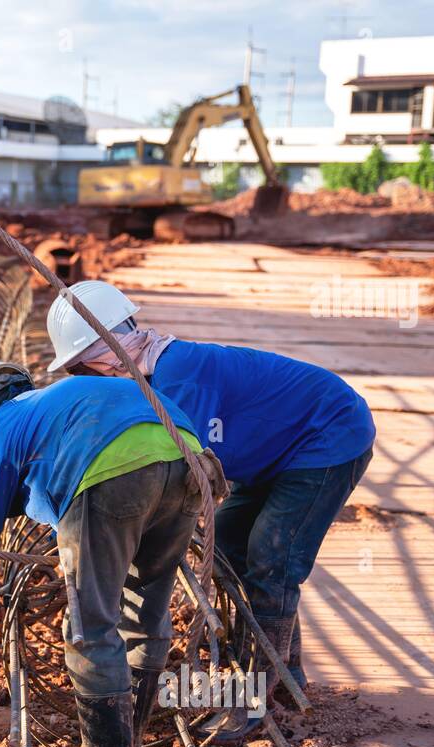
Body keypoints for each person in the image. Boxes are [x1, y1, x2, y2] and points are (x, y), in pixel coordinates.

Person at [46, 281, 376, 712]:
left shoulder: (179, 378)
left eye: (83, 367)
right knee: (231, 548)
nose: (85, 379)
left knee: (272, 560)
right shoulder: (154, 375)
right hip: (271, 456)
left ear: (107, 349)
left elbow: (183, 472)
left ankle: (255, 700)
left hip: (326, 438)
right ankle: (285, 677)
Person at [0, 361, 204, 747]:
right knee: (145, 610)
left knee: (92, 624)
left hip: (115, 469)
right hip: (188, 457)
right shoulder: (59, 405)